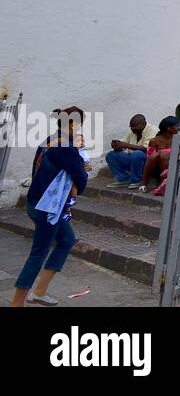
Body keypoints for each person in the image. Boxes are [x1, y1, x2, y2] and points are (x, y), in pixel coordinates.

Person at [10, 108, 89, 307]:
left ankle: (40, 291)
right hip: (48, 207)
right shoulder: (67, 148)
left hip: (37, 201)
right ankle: (17, 303)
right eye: (80, 124)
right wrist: (84, 166)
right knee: (38, 253)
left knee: (66, 240)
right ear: (72, 125)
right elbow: (81, 182)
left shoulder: (51, 139)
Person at [106, 114, 157, 188]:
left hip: (148, 162)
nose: (132, 129)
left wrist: (125, 145)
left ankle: (137, 180)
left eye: (135, 127)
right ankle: (123, 179)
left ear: (143, 124)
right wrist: (117, 145)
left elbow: (146, 149)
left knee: (137, 154)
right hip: (135, 160)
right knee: (111, 155)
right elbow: (124, 144)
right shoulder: (133, 132)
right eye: (131, 127)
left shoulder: (153, 130)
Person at [138, 117, 180, 195]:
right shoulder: (155, 141)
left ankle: (164, 184)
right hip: (157, 169)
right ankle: (144, 183)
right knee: (158, 154)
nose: (179, 128)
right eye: (176, 126)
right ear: (168, 128)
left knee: (165, 154)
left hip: (174, 167)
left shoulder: (179, 139)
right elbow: (150, 158)